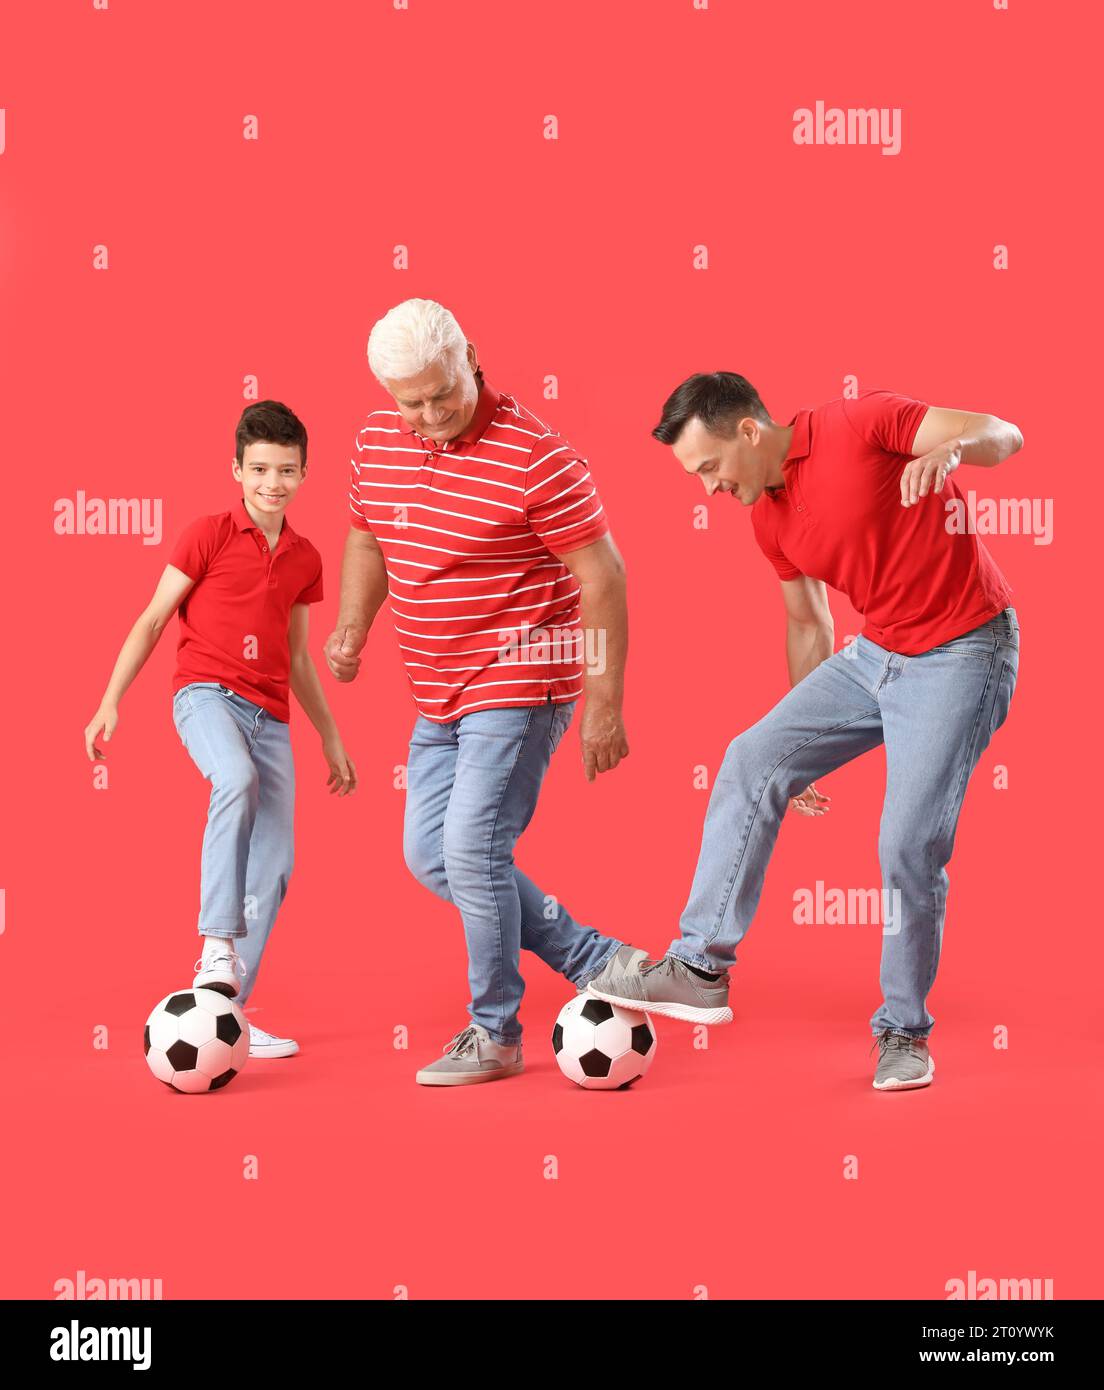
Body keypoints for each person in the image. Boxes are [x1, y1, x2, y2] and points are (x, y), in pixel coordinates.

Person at [586, 373, 1023, 1091]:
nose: (708, 490)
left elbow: (1006, 435)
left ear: (749, 433)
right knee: (752, 758)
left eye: (710, 468)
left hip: (964, 650)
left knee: (907, 842)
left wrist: (955, 451)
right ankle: (699, 967)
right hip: (876, 654)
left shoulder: (863, 423)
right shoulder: (768, 517)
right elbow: (808, 622)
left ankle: (903, 1032)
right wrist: (805, 751)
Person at [324, 298, 634, 1085]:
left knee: (471, 849)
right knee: (430, 856)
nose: (429, 415)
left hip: (524, 673)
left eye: (442, 394)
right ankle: (599, 959)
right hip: (436, 688)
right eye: (411, 401)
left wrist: (603, 705)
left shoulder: (538, 457)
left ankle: (494, 1032)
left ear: (471, 356)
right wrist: (353, 628)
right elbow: (367, 536)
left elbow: (602, 578)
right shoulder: (373, 440)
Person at [84, 401, 356, 1059]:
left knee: (277, 860)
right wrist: (109, 700)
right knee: (233, 778)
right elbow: (153, 620)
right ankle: (215, 945)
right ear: (236, 469)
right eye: (259, 468)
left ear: (303, 472)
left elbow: (296, 659)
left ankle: (225, 1015)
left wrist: (330, 735)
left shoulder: (305, 557)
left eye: (286, 470)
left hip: (272, 717)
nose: (272, 482)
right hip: (206, 695)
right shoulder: (205, 533)